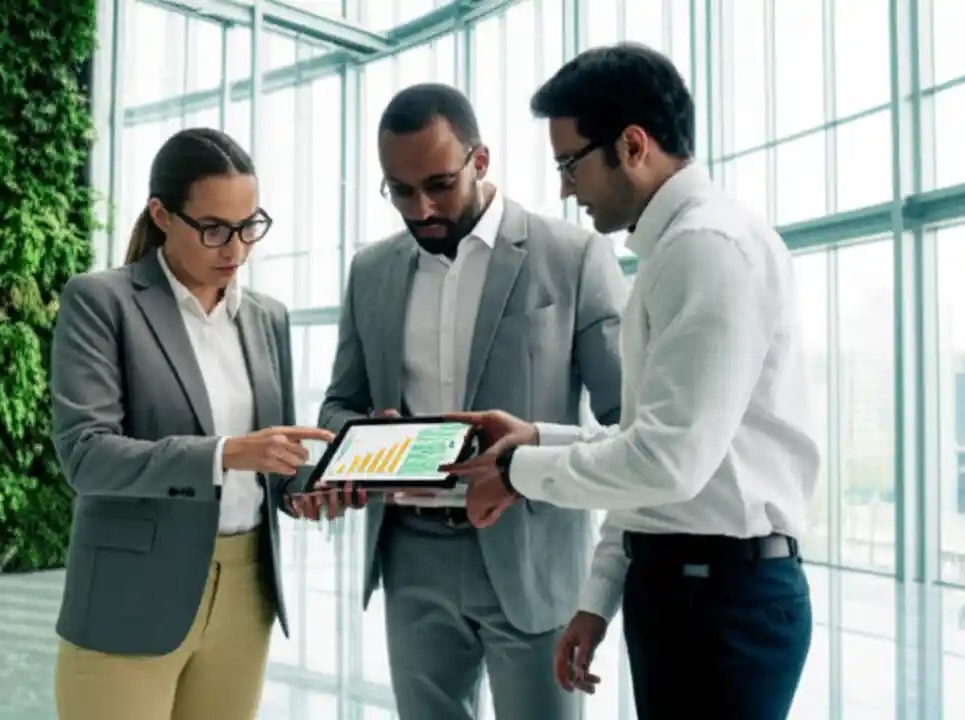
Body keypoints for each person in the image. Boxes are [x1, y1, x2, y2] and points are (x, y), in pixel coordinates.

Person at [441, 43, 821, 720]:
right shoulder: (676, 250)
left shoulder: (706, 250)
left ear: (634, 144)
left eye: (569, 162)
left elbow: (667, 463)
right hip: (686, 587)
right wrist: (597, 594)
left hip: (721, 603)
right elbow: (651, 447)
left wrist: (521, 468)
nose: (563, 187)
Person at [306, 83, 625, 720]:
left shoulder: (573, 256)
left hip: (533, 556)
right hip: (410, 553)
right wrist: (364, 438)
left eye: (438, 184)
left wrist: (532, 455)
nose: (420, 207)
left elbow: (628, 420)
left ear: (481, 161)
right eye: (399, 190)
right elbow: (339, 404)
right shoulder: (370, 271)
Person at [49, 127, 334, 720]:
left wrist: (315, 486)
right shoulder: (102, 302)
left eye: (249, 225)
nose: (235, 248)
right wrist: (224, 453)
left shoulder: (266, 318)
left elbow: (270, 465)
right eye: (214, 228)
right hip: (132, 592)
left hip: (246, 590)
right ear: (161, 214)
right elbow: (87, 455)